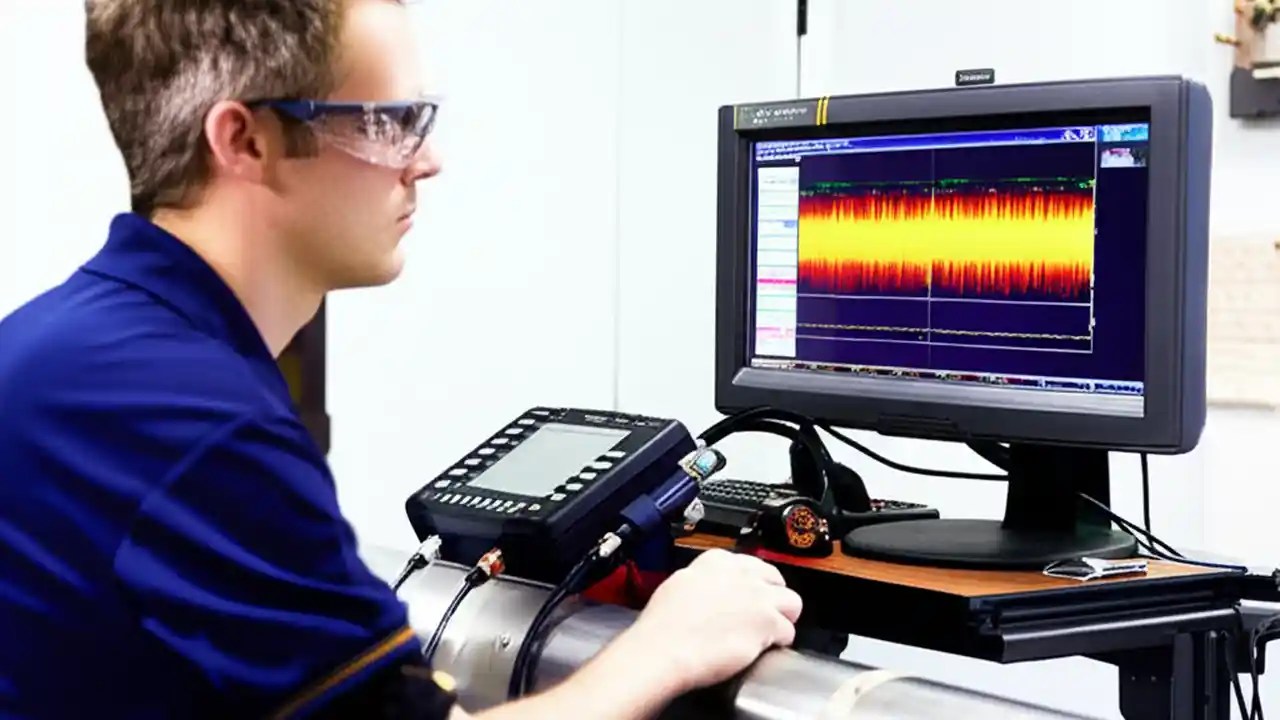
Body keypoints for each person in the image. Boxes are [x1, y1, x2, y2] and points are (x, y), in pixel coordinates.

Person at [0, 1, 804, 718]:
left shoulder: (46, 348)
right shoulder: (203, 428)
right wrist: (669, 645)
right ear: (244, 139)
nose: (426, 159)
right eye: (386, 121)